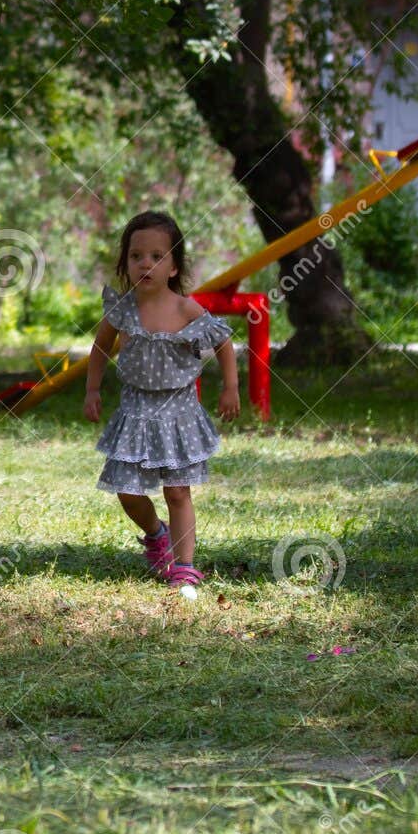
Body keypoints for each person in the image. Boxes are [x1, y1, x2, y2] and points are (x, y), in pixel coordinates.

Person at [83, 210, 239, 589]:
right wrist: (92, 389)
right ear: (126, 264)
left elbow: (223, 343)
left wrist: (230, 387)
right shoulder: (122, 310)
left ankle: (184, 566)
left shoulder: (185, 309)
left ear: (173, 267)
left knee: (178, 490)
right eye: (136, 256)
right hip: (135, 410)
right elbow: (100, 348)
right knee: (127, 490)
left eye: (156, 256)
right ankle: (156, 534)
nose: (145, 264)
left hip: (178, 412)